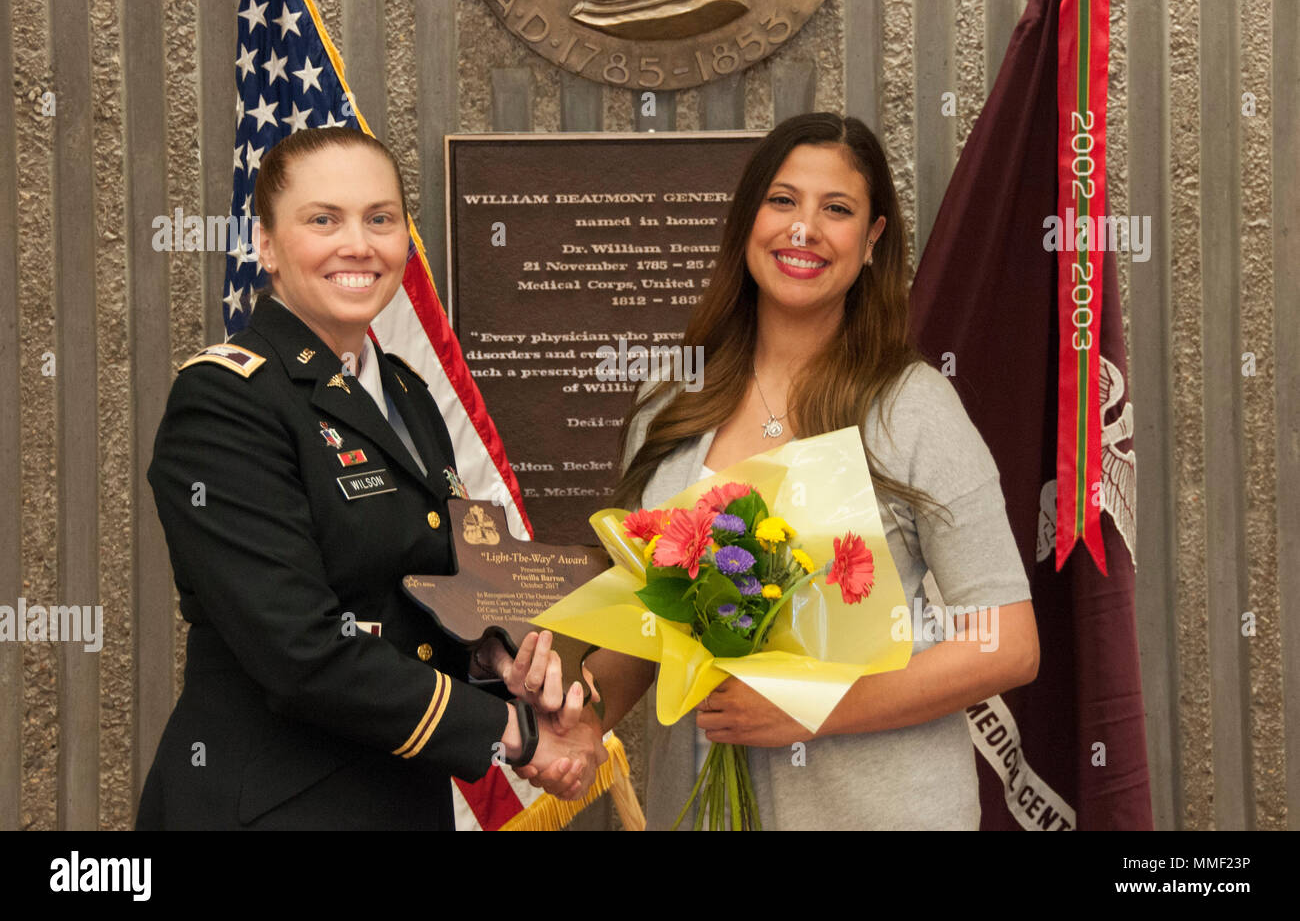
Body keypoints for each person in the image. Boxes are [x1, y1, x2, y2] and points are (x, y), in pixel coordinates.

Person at [581, 112, 1039, 830]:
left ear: (872, 241)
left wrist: (811, 706)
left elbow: (1006, 642)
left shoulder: (915, 408)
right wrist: (566, 712)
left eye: (838, 209)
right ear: (748, 221)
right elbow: (648, 632)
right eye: (783, 201)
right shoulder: (670, 402)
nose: (804, 229)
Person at [137, 126, 604, 830]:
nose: (358, 244)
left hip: (400, 797)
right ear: (265, 244)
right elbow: (299, 650)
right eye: (323, 219)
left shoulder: (406, 396)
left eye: (380, 219)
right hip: (271, 806)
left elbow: (414, 591)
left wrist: (498, 662)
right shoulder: (227, 399)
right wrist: (516, 734)